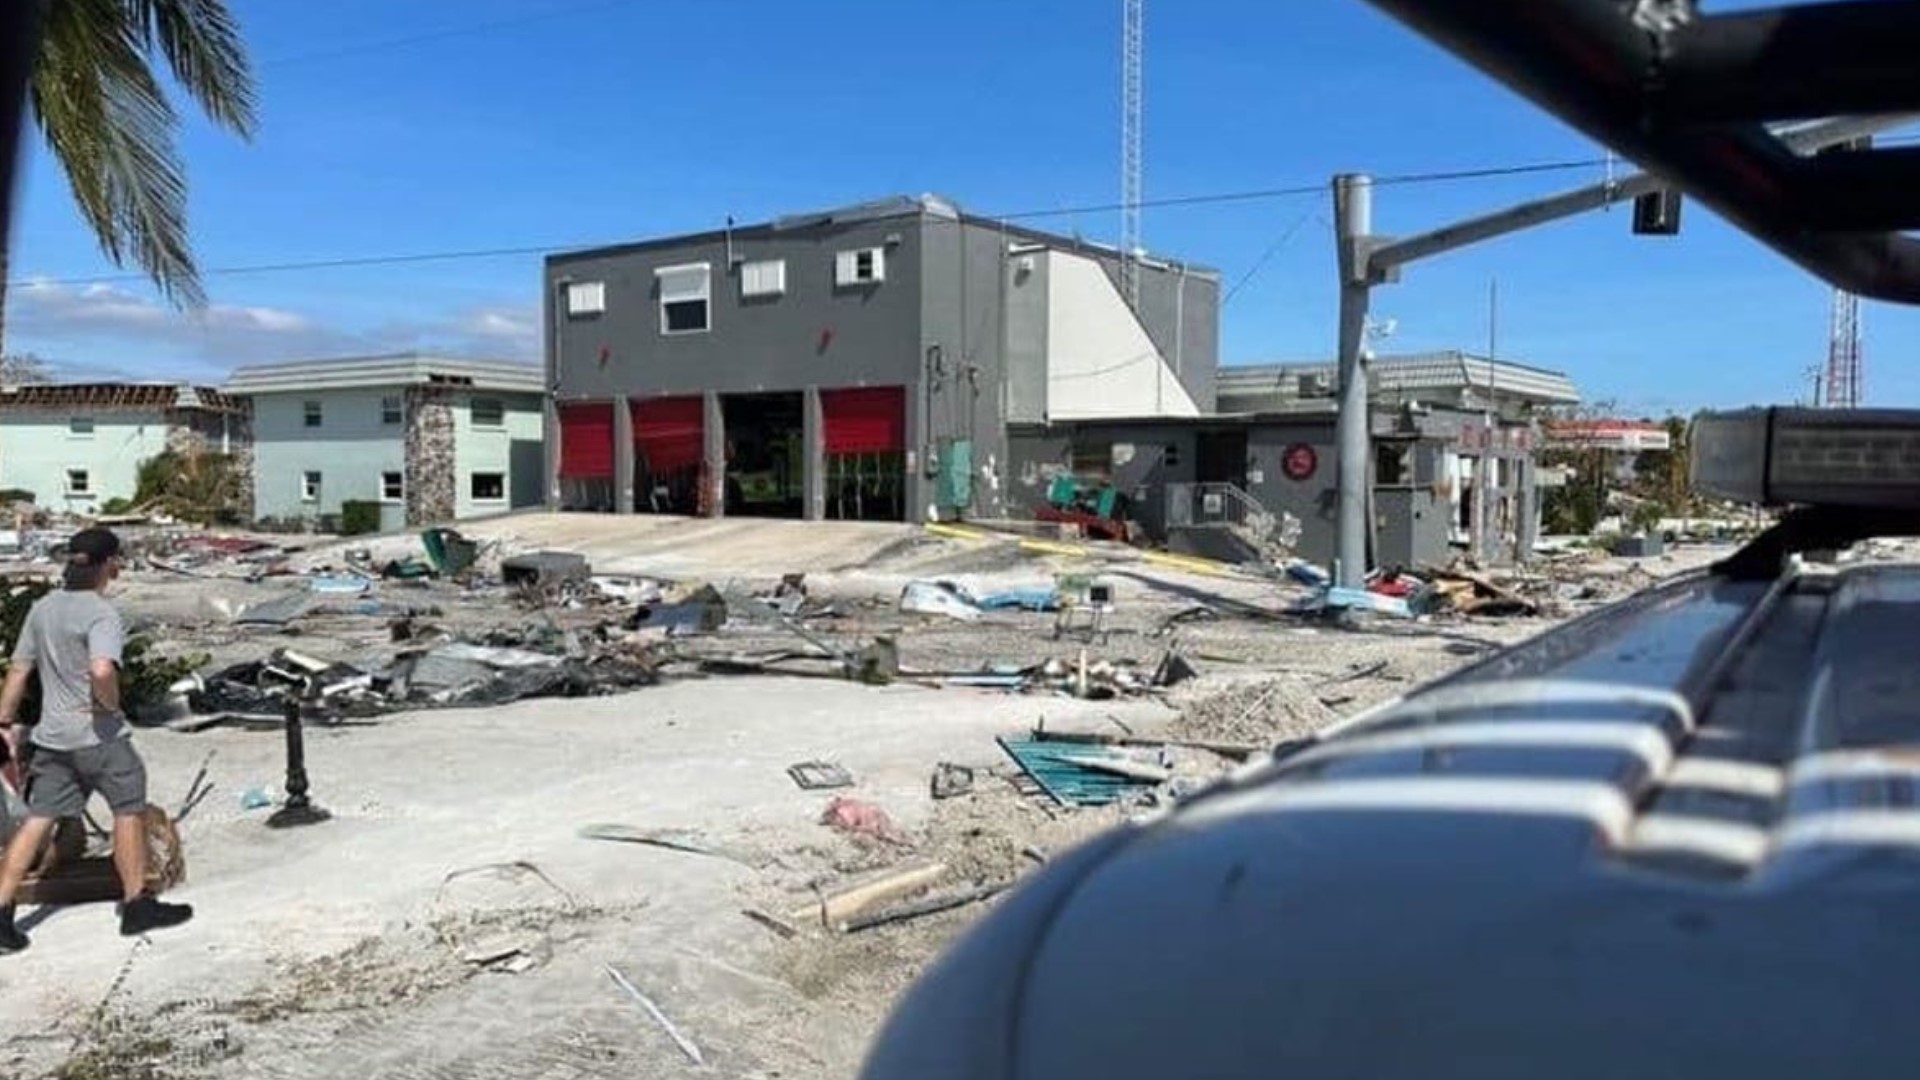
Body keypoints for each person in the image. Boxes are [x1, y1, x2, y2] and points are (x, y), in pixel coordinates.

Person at [0, 527, 191, 953]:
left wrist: (4, 721)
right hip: (99, 737)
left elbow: (18, 671)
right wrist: (110, 706)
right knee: (128, 810)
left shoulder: (42, 609)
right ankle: (137, 903)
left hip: (53, 738)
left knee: (38, 820)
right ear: (109, 564)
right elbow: (102, 670)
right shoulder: (101, 614)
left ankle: (1, 912)